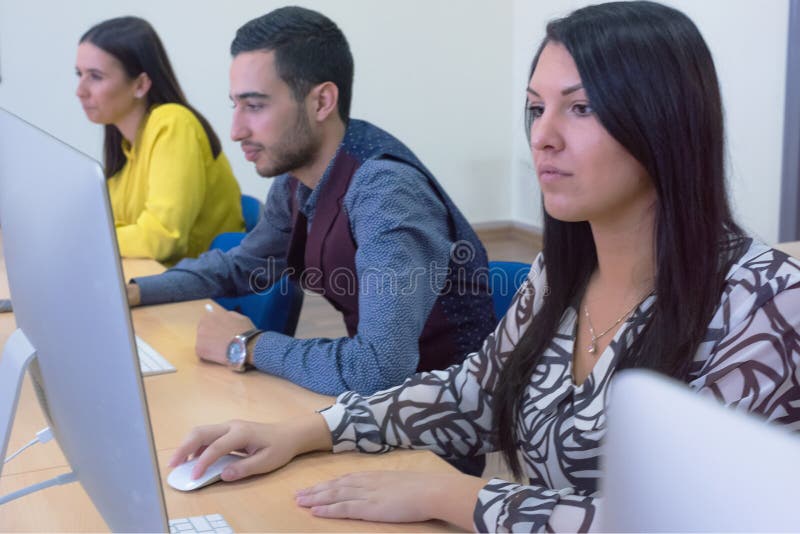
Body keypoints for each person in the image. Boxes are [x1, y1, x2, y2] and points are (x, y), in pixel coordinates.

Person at [166, 1, 800, 531]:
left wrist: (456, 497)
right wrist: (308, 432)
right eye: (535, 108)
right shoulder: (565, 272)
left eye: (580, 108)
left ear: (665, 124)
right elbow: (474, 390)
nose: (543, 136)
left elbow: (680, 523)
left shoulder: (765, 304)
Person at [126, 7, 496, 400]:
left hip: (432, 425)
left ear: (322, 102)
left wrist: (247, 344)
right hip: (374, 409)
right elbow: (242, 266)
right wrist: (135, 291)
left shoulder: (385, 192)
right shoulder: (297, 178)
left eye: (255, 106)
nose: (235, 131)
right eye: (235, 105)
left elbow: (377, 369)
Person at [76, 17, 244, 265]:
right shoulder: (126, 147)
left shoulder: (173, 124)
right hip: (163, 283)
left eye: (96, 76)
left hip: (206, 293)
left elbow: (164, 239)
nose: (80, 90)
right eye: (79, 74)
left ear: (141, 84)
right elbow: (110, 224)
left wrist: (91, 238)